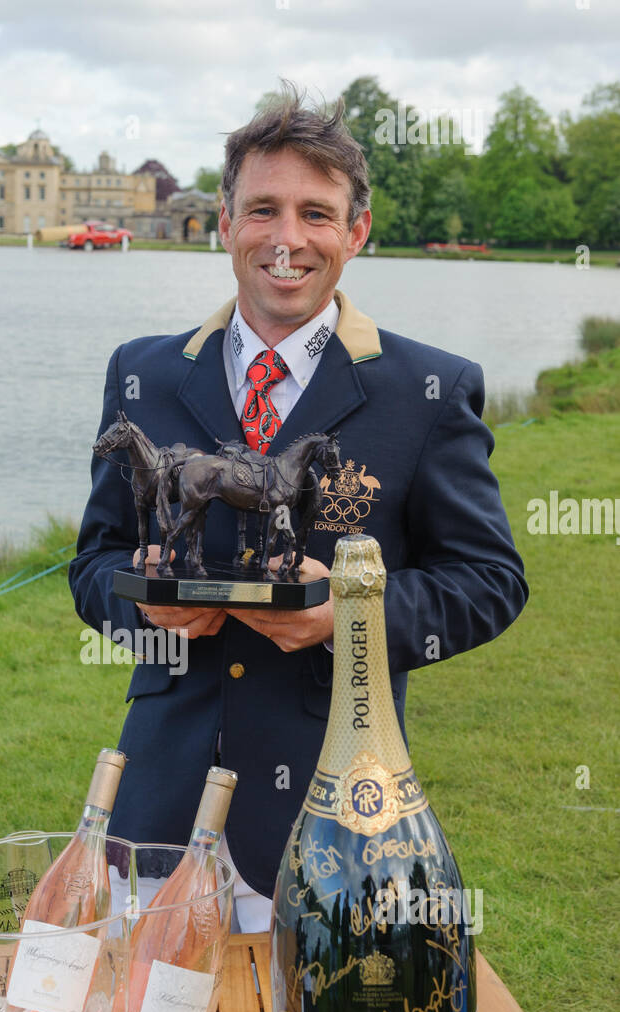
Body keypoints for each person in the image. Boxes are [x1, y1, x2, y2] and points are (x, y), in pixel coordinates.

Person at [68, 84, 527, 930]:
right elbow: (93, 564)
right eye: (262, 210)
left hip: (333, 813)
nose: (287, 241)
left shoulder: (428, 389)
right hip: (157, 809)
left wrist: (349, 614)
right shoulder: (144, 371)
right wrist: (146, 598)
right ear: (223, 221)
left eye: (316, 215)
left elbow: (489, 582)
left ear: (354, 233)